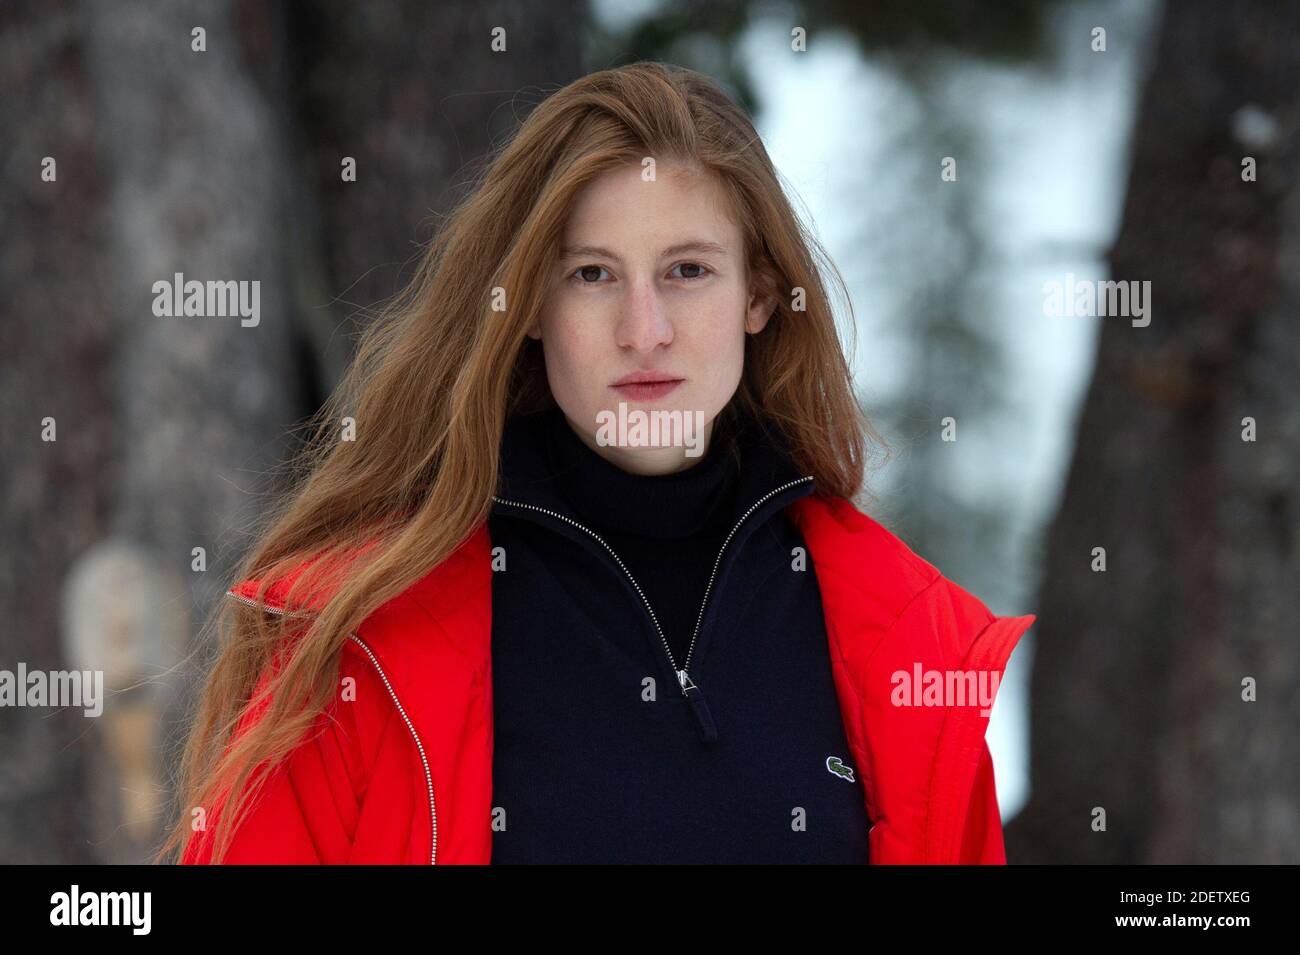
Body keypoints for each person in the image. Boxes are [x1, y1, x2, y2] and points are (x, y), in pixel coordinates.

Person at [162, 61, 1035, 865]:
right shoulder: (357, 640)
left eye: (687, 270)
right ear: (529, 306)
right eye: (592, 275)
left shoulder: (910, 643)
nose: (643, 329)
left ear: (761, 294)